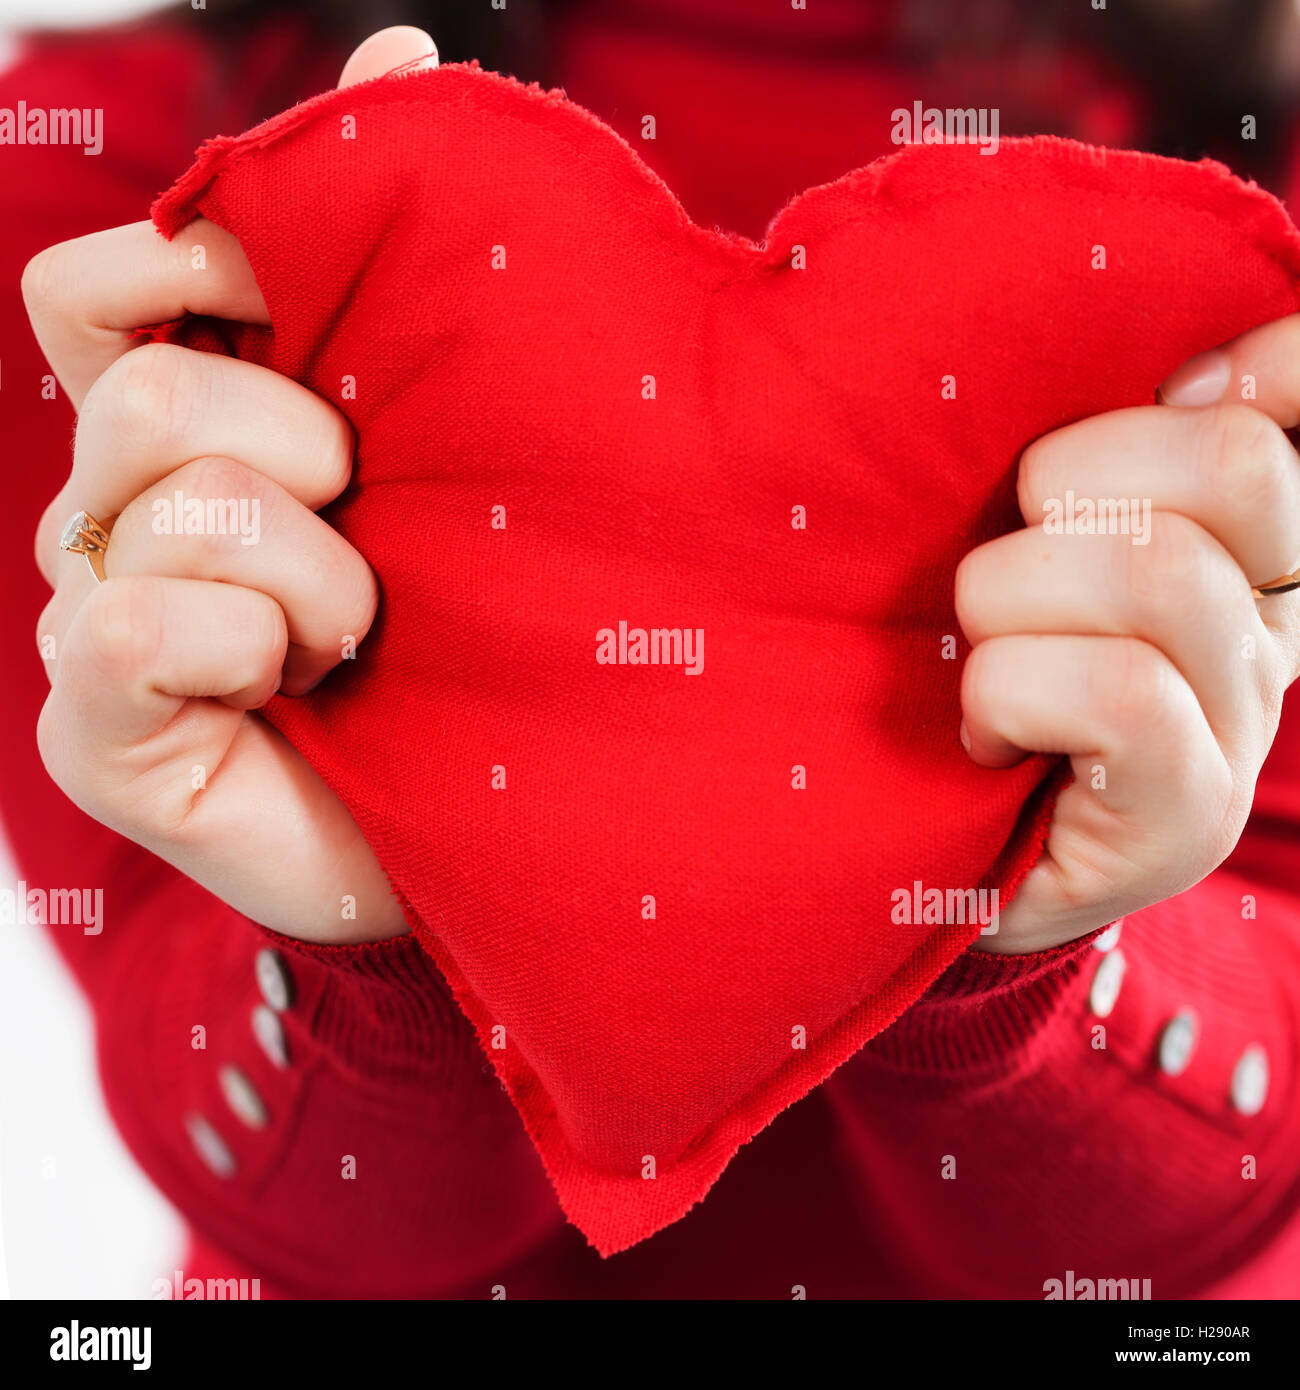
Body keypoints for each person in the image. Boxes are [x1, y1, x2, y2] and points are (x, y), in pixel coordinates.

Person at [6, 5, 1300, 1297]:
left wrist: (1031, 959)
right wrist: (372, 940)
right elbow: (198, 1085)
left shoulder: (1246, 237)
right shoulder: (153, 194)